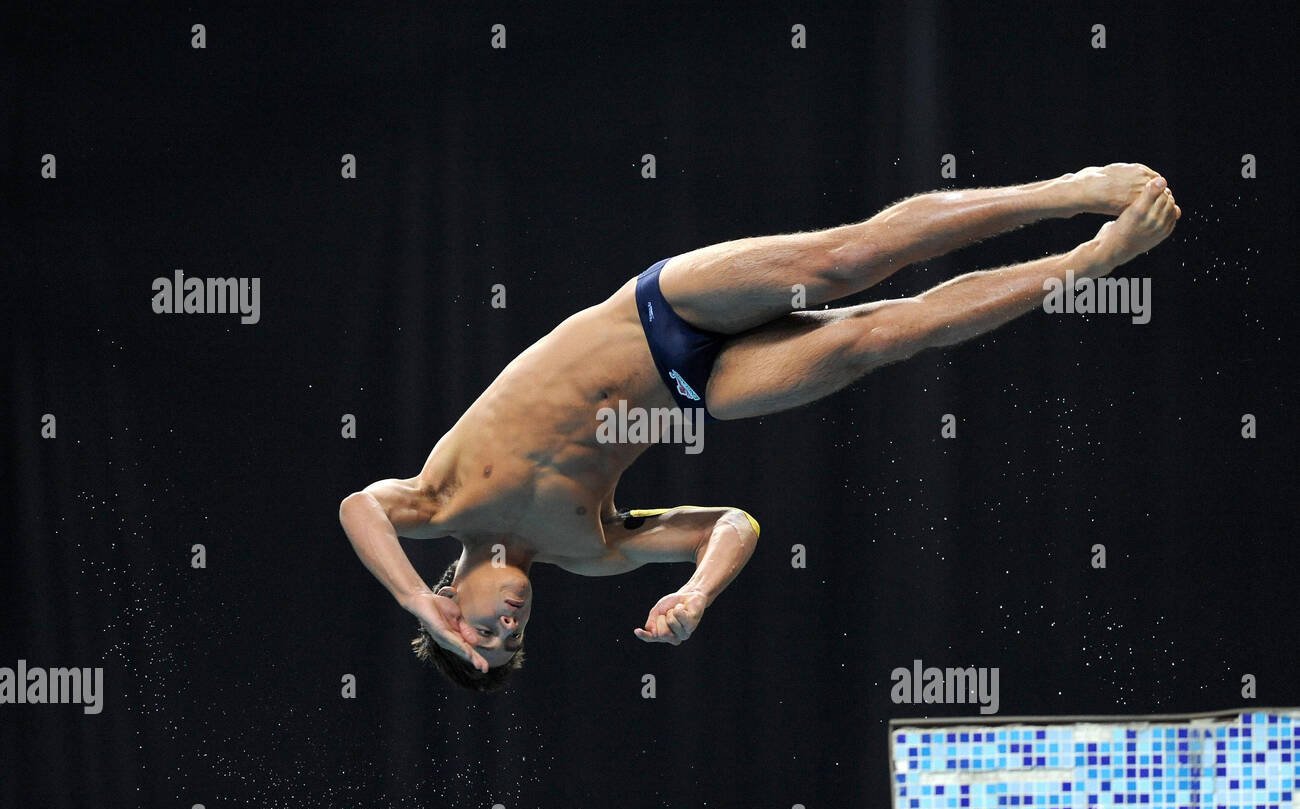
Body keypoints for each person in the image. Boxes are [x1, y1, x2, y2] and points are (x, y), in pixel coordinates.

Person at [339, 165, 1179, 690]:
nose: (506, 625)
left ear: (449, 596)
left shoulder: (439, 502)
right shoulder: (586, 550)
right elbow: (732, 524)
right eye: (510, 639)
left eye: (479, 628)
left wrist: (413, 603)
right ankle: (1087, 262)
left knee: (848, 260)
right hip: (701, 386)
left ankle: (1064, 192)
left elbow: (357, 507)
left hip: (654, 310)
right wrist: (697, 594)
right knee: (882, 335)